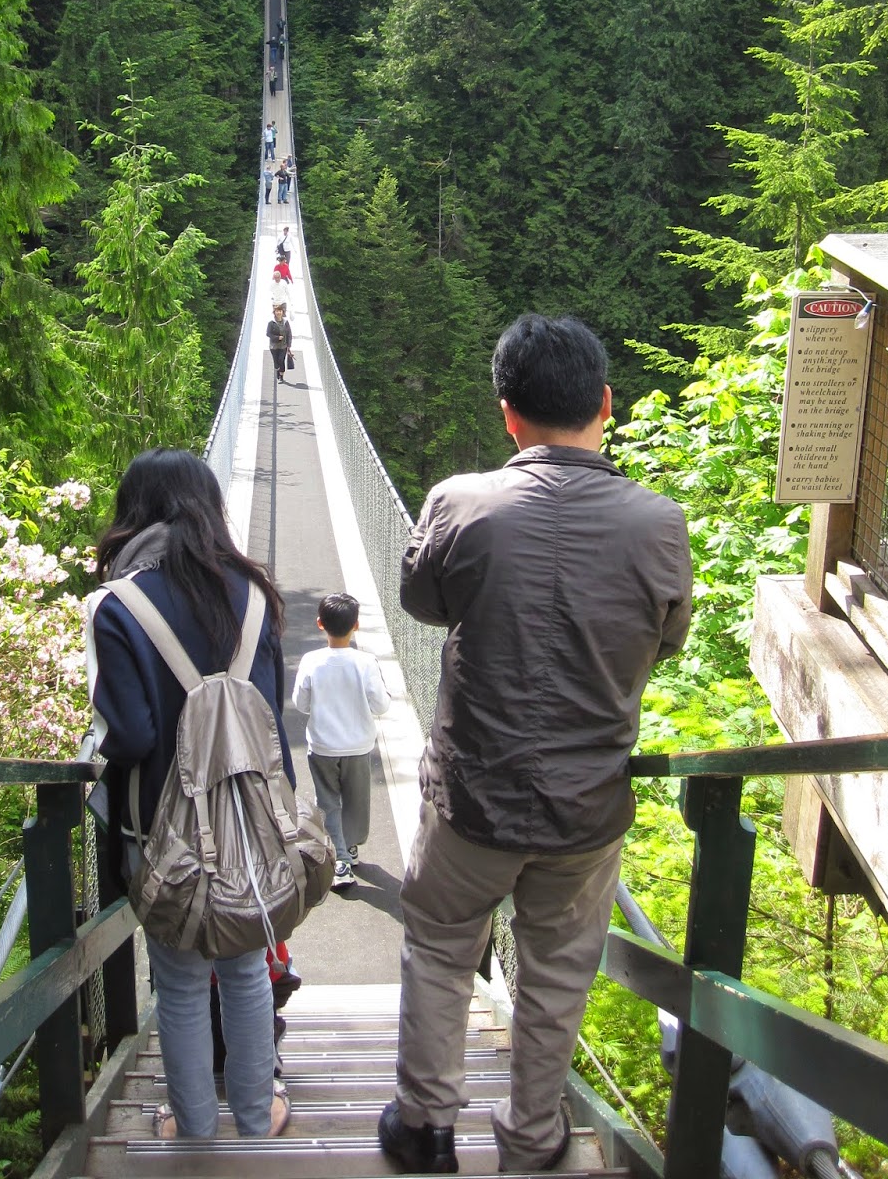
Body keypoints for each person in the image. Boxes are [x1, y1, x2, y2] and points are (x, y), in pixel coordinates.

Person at [378, 315, 693, 1175]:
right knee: (558, 973)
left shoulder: (460, 502)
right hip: (586, 806)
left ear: (507, 413)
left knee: (441, 946)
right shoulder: (659, 523)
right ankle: (532, 1139)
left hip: (471, 798)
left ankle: (424, 1128)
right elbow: (668, 640)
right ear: (605, 404)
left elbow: (422, 603)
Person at [90, 449, 293, 1142]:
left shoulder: (117, 606)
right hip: (249, 825)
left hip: (161, 832)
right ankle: (258, 1116)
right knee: (246, 970)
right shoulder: (257, 595)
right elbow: (270, 720)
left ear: (133, 511)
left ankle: (194, 1125)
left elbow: (130, 736)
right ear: (210, 508)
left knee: (178, 982)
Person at [292, 592, 390, 890]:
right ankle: (349, 850)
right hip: (358, 746)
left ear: (320, 623)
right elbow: (381, 705)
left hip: (322, 746)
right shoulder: (366, 662)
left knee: (328, 802)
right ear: (356, 625)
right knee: (356, 801)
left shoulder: (311, 661)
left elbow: (300, 703)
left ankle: (339, 857)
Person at [267, 303, 292, 383]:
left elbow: (289, 334)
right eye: (277, 311)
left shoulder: (286, 322)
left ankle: (281, 376)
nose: (278, 313)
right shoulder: (271, 323)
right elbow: (268, 334)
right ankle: (278, 371)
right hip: (273, 346)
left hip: (283, 346)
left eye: (280, 311)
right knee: (276, 362)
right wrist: (277, 338)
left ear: (282, 312)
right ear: (274, 312)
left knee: (281, 360)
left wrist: (289, 345)